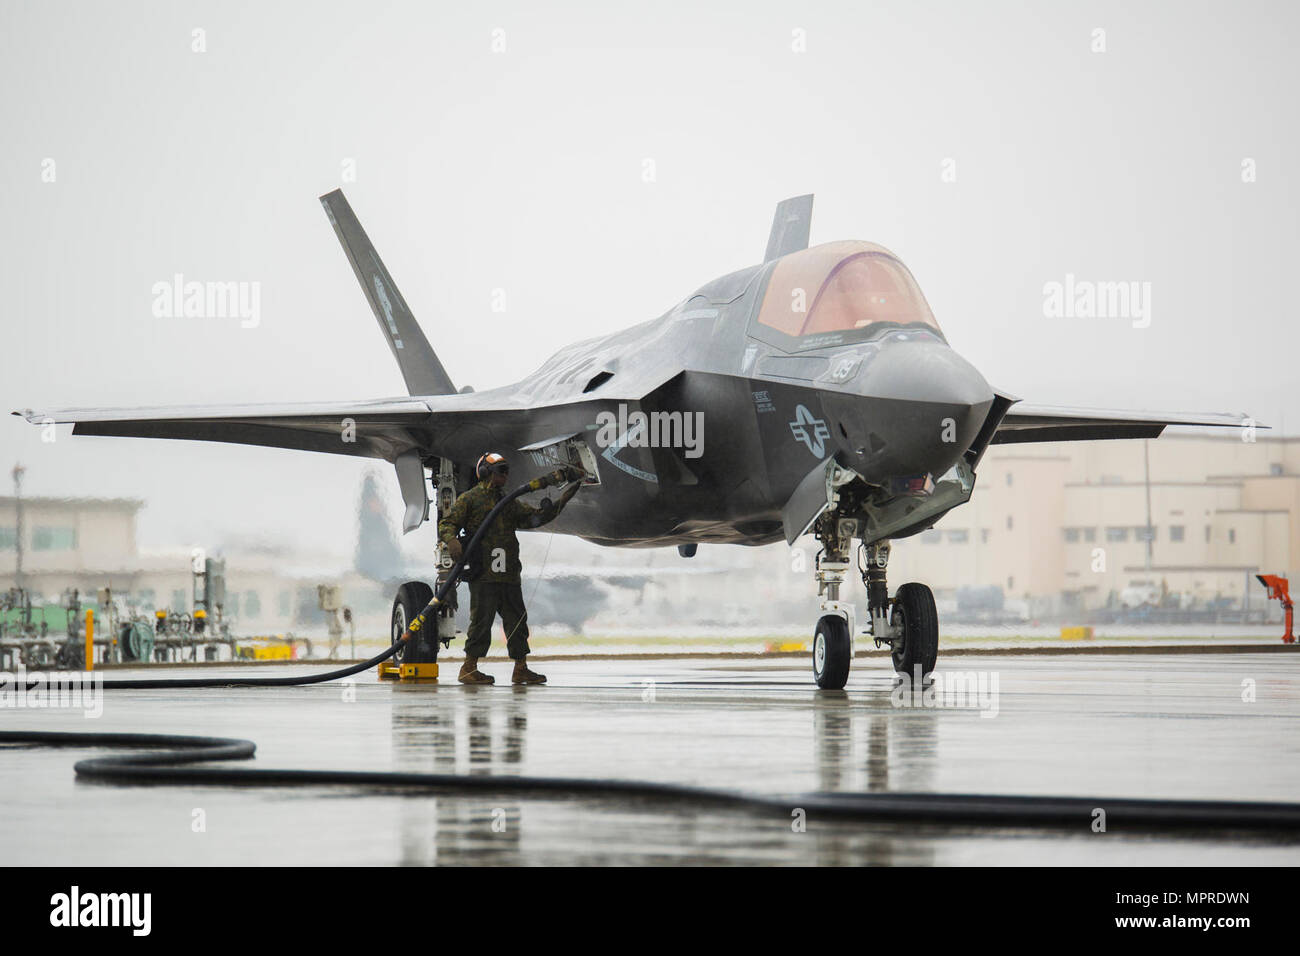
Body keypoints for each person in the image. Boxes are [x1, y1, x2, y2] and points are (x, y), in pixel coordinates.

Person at [438, 452, 581, 685]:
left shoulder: (508, 502)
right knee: (481, 623)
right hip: (484, 574)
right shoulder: (470, 499)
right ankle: (469, 668)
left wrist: (563, 500)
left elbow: (534, 519)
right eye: (500, 470)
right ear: (485, 473)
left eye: (506, 470)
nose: (505, 475)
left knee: (517, 622)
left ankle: (521, 668)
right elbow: (447, 523)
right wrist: (452, 540)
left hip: (508, 575)